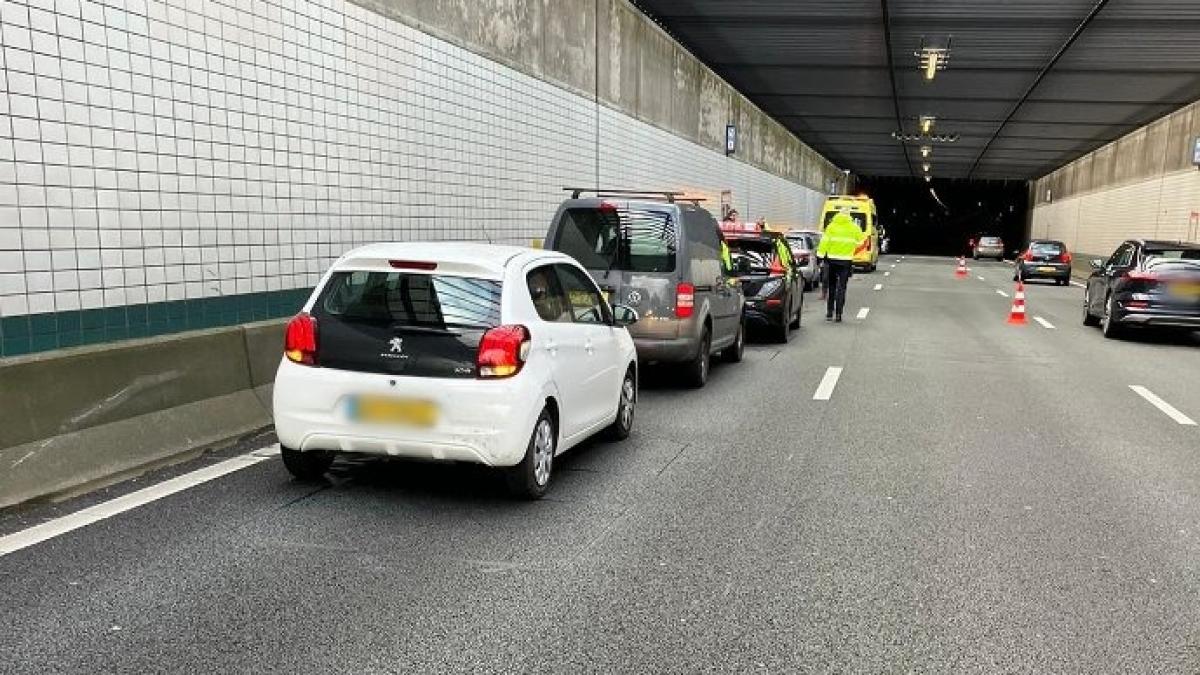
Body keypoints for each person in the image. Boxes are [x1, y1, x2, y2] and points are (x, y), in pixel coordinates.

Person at [816, 212, 869, 322]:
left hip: (831, 261)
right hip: (845, 261)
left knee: (832, 286)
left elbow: (824, 243)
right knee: (842, 288)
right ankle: (839, 314)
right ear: (849, 218)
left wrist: (820, 257)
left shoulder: (831, 227)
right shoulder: (854, 228)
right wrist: (853, 251)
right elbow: (863, 242)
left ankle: (830, 312)